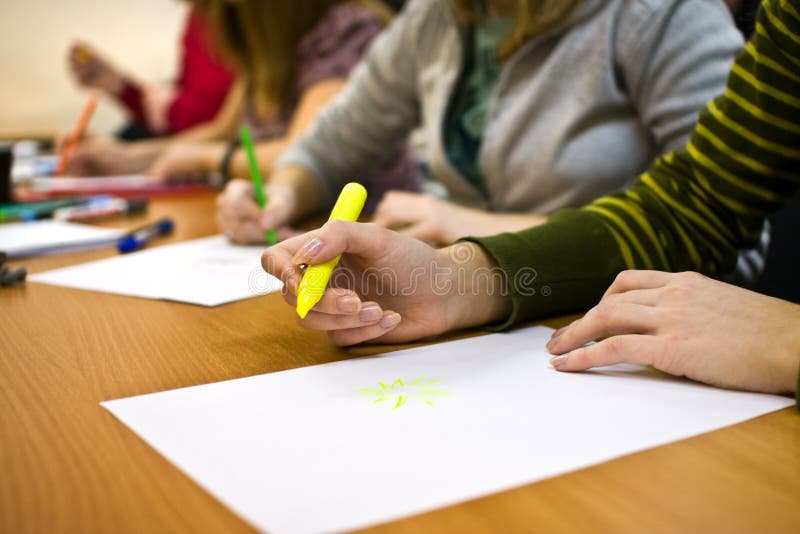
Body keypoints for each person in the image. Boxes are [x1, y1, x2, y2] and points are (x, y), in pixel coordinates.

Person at [260, 0, 799, 403]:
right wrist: (454, 278)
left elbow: (733, 255)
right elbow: (694, 210)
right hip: (539, 325)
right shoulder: (438, 17)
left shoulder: (655, 15)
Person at [217, 0, 754, 254]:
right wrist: (280, 194)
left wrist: (471, 225)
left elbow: (726, 233)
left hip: (624, 332)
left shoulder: (658, 14)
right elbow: (335, 141)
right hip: (490, 305)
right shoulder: (439, 18)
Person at [65, 0, 417, 206]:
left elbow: (309, 152)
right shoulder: (266, 48)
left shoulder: (346, 31)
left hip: (367, 224)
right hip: (291, 219)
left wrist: (207, 159)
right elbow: (222, 130)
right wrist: (128, 158)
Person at [68, 2, 234, 140]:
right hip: (189, 144)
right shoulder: (197, 18)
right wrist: (122, 88)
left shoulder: (240, 18)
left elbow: (226, 123)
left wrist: (172, 109)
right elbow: (171, 120)